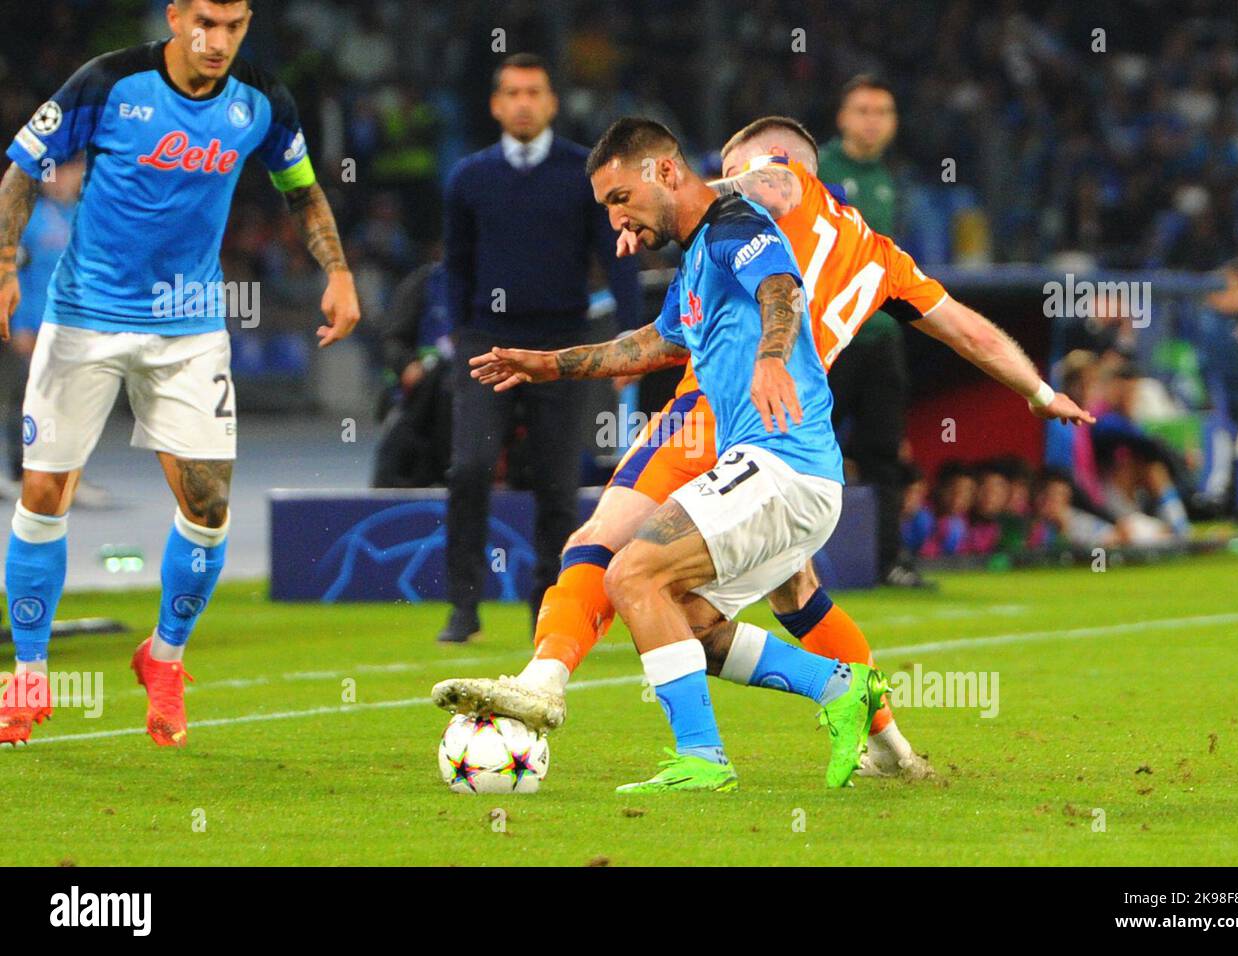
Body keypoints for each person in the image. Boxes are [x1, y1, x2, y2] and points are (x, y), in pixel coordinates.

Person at [434, 116, 1092, 785]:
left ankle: (549, 683)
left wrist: (666, 190)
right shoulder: (881, 257)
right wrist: (1036, 389)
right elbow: (967, 332)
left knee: (610, 549)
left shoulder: (758, 199)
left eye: (620, 199)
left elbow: (769, 197)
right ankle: (883, 740)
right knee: (772, 597)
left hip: (733, 416)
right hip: (786, 431)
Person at [0, 0, 360, 746]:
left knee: (209, 505)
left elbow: (302, 189)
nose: (216, 40)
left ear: (247, 23)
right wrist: (5, 263)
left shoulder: (262, 101)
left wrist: (338, 271)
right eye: (204, 22)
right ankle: (29, 675)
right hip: (85, 316)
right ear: (174, 17)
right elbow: (21, 171)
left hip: (189, 328)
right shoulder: (107, 83)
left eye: (232, 25)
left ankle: (163, 658)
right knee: (42, 493)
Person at [438, 53, 640, 644]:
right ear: (496, 105)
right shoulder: (468, 178)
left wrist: (629, 337)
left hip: (563, 342)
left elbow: (618, 259)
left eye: (534, 92)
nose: (524, 102)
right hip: (486, 343)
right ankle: (463, 606)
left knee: (556, 482)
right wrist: (457, 335)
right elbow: (453, 267)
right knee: (470, 468)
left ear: (552, 102)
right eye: (512, 93)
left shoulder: (584, 173)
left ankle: (547, 609)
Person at [817, 76, 925, 587]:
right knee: (803, 451)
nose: (873, 121)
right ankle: (773, 567)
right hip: (827, 342)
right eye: (862, 110)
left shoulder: (890, 178)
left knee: (884, 454)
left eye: (882, 111)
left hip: (882, 338)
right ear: (842, 118)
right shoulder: (814, 170)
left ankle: (889, 562)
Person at [2, 157, 80, 495]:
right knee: (26, 399)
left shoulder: (81, 216)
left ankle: (68, 476)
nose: (59, 179)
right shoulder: (32, 218)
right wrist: (19, 324)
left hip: (73, 324)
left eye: (68, 171)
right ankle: (22, 473)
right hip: (32, 325)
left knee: (70, 400)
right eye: (54, 172)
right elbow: (17, 275)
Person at [371, 260, 454, 488]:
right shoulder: (424, 282)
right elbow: (392, 339)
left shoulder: (498, 287)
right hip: (420, 403)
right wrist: (407, 365)